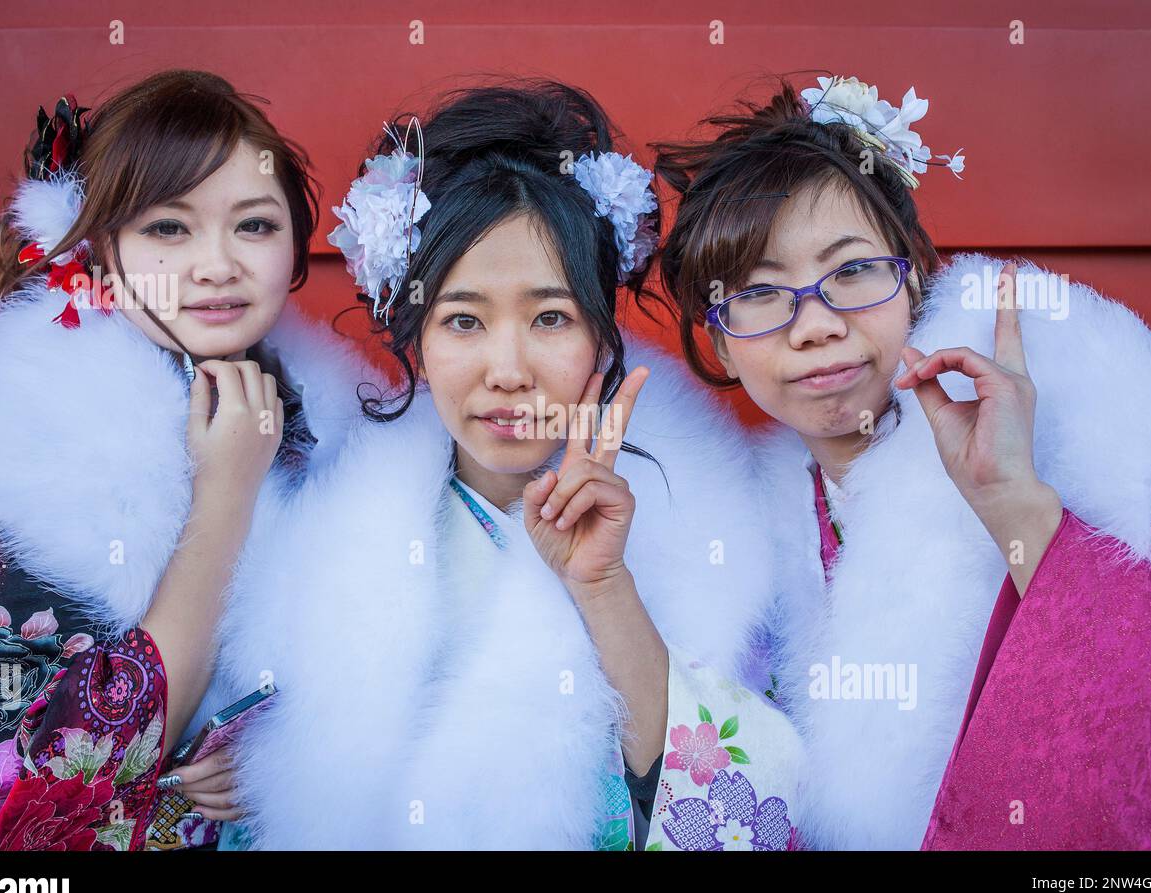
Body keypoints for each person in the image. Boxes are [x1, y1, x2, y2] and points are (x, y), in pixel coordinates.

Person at [199, 80, 805, 850]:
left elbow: (752, 816)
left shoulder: (712, 533)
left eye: (550, 317)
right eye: (463, 320)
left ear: (600, 333)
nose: (507, 368)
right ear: (414, 336)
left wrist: (604, 588)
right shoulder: (319, 540)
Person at [653, 73, 1151, 849]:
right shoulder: (732, 534)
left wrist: (1018, 505)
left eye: (851, 271)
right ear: (719, 339)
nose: (813, 326)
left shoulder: (1102, 425)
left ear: (913, 273)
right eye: (756, 292)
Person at [0, 70, 362, 850]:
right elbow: (32, 781)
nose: (217, 264)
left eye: (254, 226)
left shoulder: (336, 421)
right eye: (168, 228)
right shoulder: (20, 440)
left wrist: (277, 754)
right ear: (96, 248)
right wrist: (226, 493)